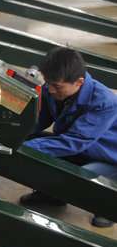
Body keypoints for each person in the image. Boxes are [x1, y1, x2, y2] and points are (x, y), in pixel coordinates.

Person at [19, 47, 117, 228]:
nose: (50, 90)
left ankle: (110, 205)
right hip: (81, 147)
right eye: (48, 83)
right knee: (32, 145)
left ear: (79, 82)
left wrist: (23, 149)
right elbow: (37, 121)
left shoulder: (104, 102)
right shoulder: (53, 89)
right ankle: (53, 195)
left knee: (82, 177)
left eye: (56, 86)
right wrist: (14, 134)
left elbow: (73, 143)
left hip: (109, 158)